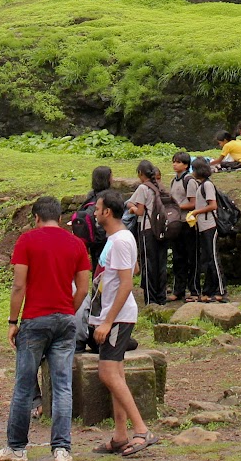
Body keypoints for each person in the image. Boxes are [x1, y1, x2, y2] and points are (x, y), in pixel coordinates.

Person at [0, 195, 91, 461]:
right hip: (64, 319)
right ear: (59, 217)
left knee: (24, 385)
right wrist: (68, 309)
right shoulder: (77, 244)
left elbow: (18, 285)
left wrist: (13, 322)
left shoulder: (27, 241)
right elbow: (83, 287)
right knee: (62, 386)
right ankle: (61, 448)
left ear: (36, 217)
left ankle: (16, 448)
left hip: (35, 319)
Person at [91, 189, 158, 456]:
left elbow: (127, 283)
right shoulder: (121, 238)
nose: (95, 212)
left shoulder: (119, 240)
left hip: (117, 317)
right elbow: (134, 269)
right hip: (114, 314)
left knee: (107, 373)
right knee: (115, 374)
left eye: (97, 209)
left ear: (107, 212)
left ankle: (142, 430)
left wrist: (107, 321)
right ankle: (120, 435)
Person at [125, 160, 169, 306]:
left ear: (140, 173)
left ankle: (150, 299)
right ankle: (161, 297)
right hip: (161, 229)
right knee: (160, 263)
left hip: (147, 229)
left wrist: (132, 209)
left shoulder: (143, 188)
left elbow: (140, 211)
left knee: (148, 264)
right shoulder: (160, 187)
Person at [185, 157, 225, 302]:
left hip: (210, 225)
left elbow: (212, 205)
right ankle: (208, 291)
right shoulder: (200, 185)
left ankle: (220, 290)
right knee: (207, 260)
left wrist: (196, 212)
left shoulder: (207, 185)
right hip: (202, 226)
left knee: (213, 259)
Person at [168, 151, 195, 301]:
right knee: (178, 257)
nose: (175, 164)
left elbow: (193, 203)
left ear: (185, 165)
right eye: (174, 161)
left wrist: (177, 207)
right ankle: (178, 290)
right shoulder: (173, 181)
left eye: (178, 162)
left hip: (187, 223)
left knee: (190, 256)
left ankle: (192, 289)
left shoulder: (189, 181)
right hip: (176, 223)